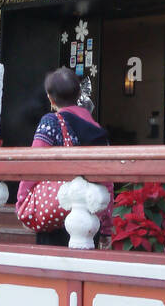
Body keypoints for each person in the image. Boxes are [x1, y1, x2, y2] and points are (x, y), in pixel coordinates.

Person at [19, 68, 110, 247]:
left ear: (50, 98)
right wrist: (106, 227)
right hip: (90, 220)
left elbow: (33, 164)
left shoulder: (50, 123)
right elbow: (107, 181)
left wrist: (22, 203)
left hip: (54, 214)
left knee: (52, 271)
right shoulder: (97, 129)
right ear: (78, 95)